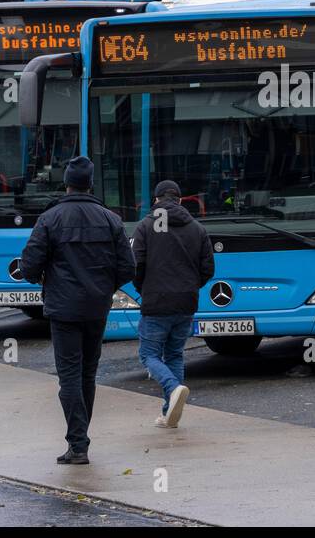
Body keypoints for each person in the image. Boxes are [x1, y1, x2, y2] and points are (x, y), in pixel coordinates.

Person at [20, 156, 135, 465]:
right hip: (97, 308)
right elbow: (128, 267)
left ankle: (78, 444)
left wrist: (46, 277)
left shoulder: (50, 218)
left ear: (66, 183)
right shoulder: (110, 219)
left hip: (63, 308)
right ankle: (80, 440)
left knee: (69, 375)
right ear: (91, 184)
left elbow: (28, 265)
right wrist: (103, 287)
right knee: (87, 373)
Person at [132, 179, 214, 429]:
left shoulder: (146, 226)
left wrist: (143, 288)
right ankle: (170, 413)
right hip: (186, 302)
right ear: (179, 199)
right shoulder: (197, 228)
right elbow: (208, 269)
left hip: (156, 301)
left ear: (156, 200)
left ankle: (173, 387)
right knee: (175, 355)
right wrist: (189, 287)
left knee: (148, 355)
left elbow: (136, 265)